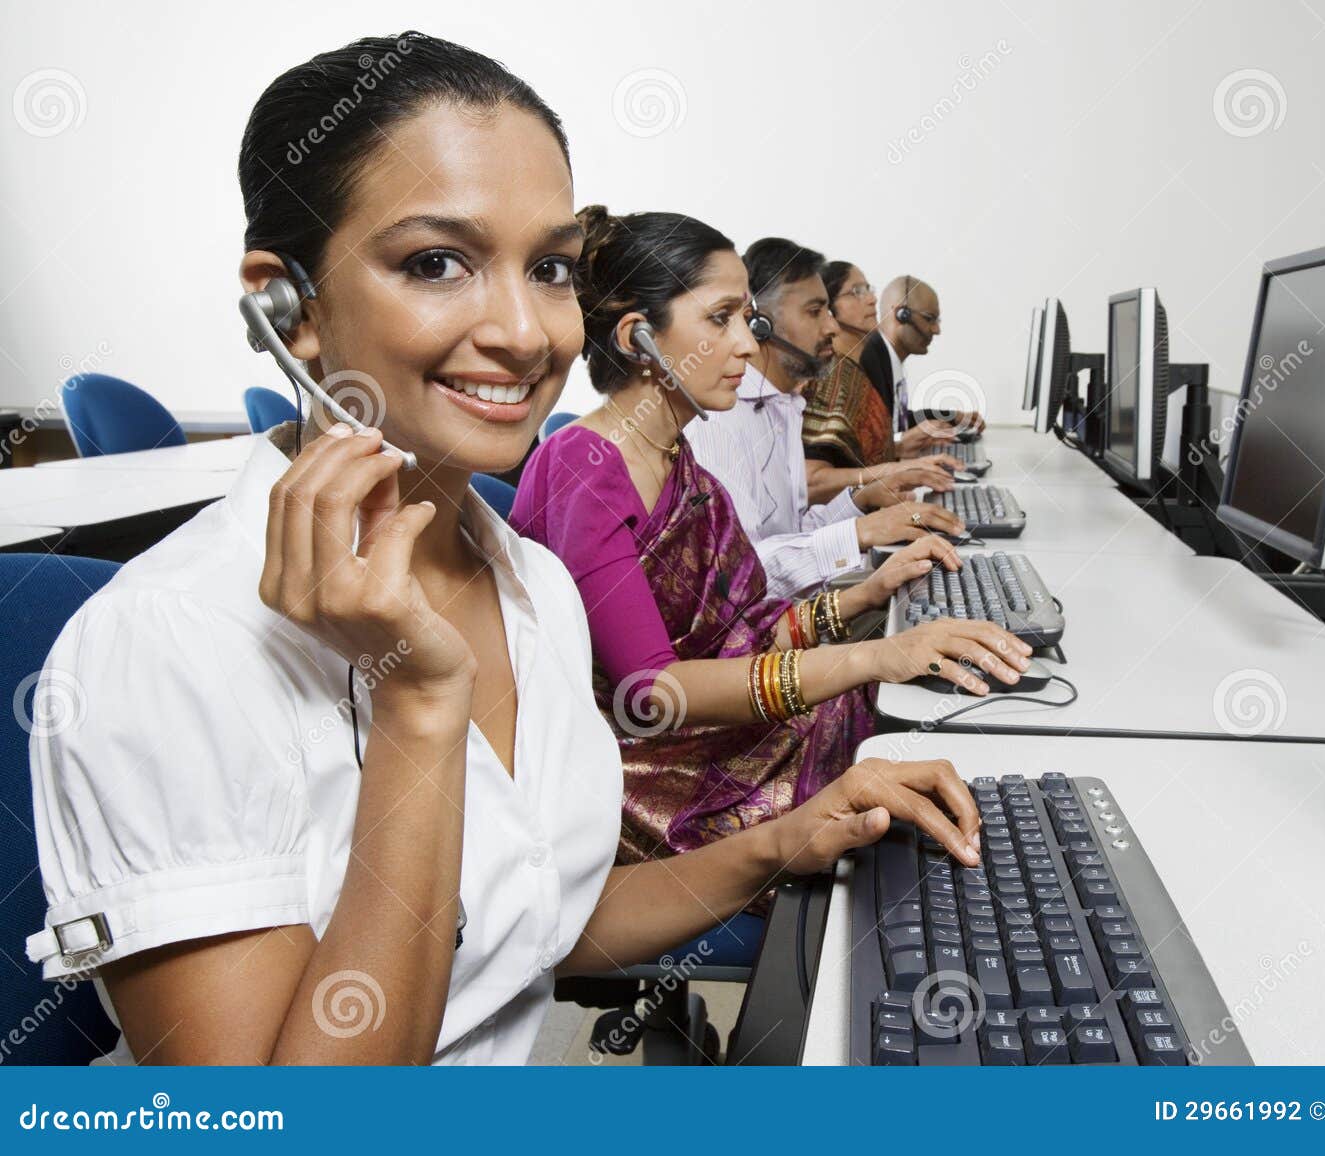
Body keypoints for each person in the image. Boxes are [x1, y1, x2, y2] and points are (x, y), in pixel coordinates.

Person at [25, 32, 990, 1067]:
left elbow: (541, 930)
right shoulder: (167, 645)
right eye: (436, 263)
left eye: (550, 268)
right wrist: (419, 712)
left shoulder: (530, 583)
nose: (527, 332)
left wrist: (780, 845)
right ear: (288, 309)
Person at [511, 209, 1032, 862]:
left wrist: (867, 597)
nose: (748, 347)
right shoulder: (582, 471)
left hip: (697, 744)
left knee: (909, 760)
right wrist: (870, 656)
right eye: (720, 319)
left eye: (747, 322)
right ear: (637, 336)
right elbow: (652, 694)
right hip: (638, 778)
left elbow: (746, 627)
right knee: (887, 807)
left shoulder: (677, 463)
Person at [683, 238, 962, 600]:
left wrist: (860, 500)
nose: (832, 328)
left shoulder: (784, 405)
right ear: (759, 323)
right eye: (815, 312)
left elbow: (795, 532)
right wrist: (859, 532)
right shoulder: (721, 420)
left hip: (801, 613)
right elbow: (740, 577)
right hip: (763, 640)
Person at [801, 260, 961, 502]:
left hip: (873, 515)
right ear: (828, 309)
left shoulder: (856, 371)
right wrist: (897, 470)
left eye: (868, 289)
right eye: (857, 292)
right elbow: (811, 482)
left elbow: (859, 455)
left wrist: (905, 454)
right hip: (845, 526)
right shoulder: (828, 377)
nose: (871, 300)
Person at [859, 275, 985, 456]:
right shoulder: (868, 359)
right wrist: (901, 445)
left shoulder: (888, 357)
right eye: (929, 319)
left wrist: (950, 416)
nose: (936, 330)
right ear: (901, 314)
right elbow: (863, 442)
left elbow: (896, 421)